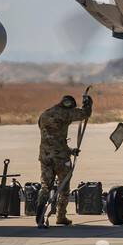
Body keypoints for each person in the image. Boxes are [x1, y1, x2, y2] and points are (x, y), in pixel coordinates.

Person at [37, 92, 92, 226]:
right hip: (60, 158)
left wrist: (70, 150)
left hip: (45, 156)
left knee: (45, 186)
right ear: (70, 106)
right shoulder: (66, 113)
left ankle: (39, 213)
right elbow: (85, 114)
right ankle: (60, 216)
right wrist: (88, 103)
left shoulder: (44, 114)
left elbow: (53, 138)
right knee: (64, 187)